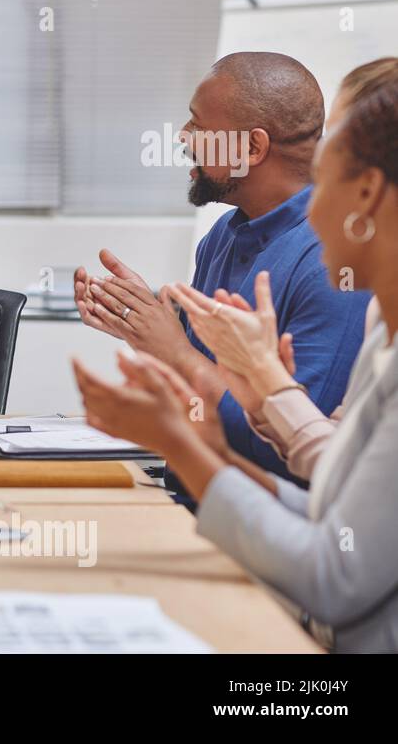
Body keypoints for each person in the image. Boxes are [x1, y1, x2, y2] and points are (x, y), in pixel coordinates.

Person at [72, 79, 398, 653]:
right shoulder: (381, 340)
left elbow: (331, 566)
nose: (311, 204)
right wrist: (207, 425)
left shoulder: (326, 271)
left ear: (368, 192)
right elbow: (332, 488)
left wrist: (189, 430)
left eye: (327, 176)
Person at [72, 52, 372, 486]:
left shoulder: (331, 262)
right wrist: (141, 324)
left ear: (252, 147)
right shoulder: (224, 235)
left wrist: (170, 348)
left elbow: (294, 451)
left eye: (198, 125)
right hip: (191, 497)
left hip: (262, 531)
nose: (182, 136)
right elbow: (196, 397)